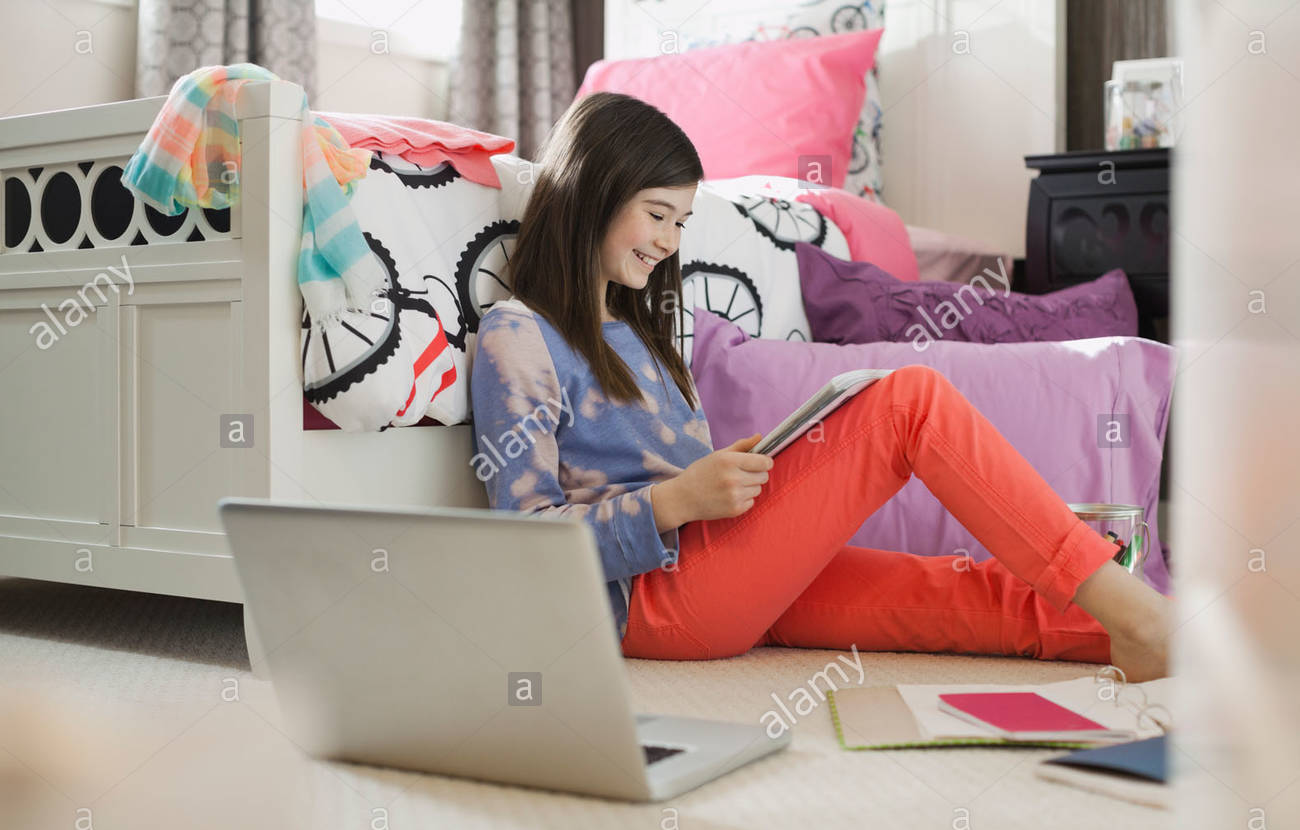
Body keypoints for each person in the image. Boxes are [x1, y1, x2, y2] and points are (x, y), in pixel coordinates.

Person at [469, 92, 1172, 681]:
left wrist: (722, 478)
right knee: (909, 402)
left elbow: (661, 477)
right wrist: (678, 499)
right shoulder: (519, 334)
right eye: (657, 214)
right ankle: (1138, 616)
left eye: (681, 222)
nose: (669, 242)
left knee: (958, 591)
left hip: (723, 566)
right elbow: (524, 545)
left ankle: (1162, 632)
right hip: (652, 602)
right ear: (590, 194)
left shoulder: (641, 327)